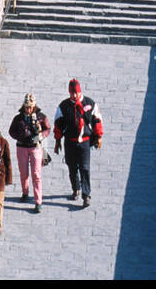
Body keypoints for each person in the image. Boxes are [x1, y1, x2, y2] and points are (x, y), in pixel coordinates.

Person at [53, 79, 103, 207]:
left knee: (85, 168)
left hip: (84, 142)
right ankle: (76, 188)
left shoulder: (89, 104)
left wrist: (98, 137)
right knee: (72, 167)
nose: (74, 95)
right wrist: (57, 141)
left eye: (76, 92)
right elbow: (58, 125)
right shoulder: (63, 107)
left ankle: (86, 195)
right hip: (70, 142)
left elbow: (97, 120)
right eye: (72, 93)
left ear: (79, 91)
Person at [8, 94, 51, 213]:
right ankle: (25, 192)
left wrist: (40, 136)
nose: (28, 109)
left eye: (30, 107)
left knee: (36, 174)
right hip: (21, 147)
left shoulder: (41, 116)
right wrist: (20, 136)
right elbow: (11, 131)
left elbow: (47, 129)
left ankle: (38, 201)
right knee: (23, 172)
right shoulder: (18, 118)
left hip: (35, 147)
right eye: (26, 107)